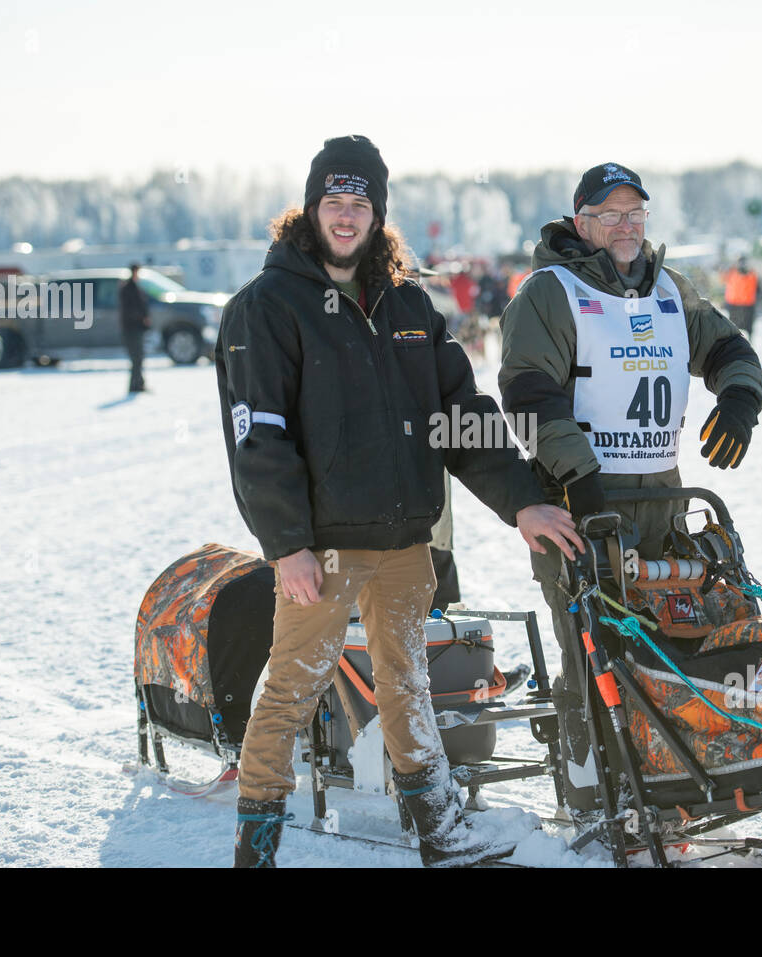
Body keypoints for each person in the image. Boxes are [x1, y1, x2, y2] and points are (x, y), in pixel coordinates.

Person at [215, 135, 581, 867]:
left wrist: (521, 504)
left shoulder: (409, 303)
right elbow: (259, 438)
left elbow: (462, 414)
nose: (346, 217)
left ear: (377, 213)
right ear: (310, 208)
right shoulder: (269, 305)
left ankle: (439, 833)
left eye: (360, 204)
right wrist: (285, 545)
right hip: (319, 547)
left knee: (408, 683)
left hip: (406, 543)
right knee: (290, 690)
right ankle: (255, 850)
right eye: (333, 202)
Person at [499, 161, 762, 811]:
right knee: (594, 653)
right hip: (579, 506)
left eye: (635, 213)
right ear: (581, 222)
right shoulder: (549, 292)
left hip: (664, 504)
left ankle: (673, 784)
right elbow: (528, 393)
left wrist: (738, 401)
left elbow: (730, 350)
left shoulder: (672, 289)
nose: (626, 226)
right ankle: (593, 794)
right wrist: (578, 475)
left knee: (678, 646)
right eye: (610, 214)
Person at [120, 263, 150, 392]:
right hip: (132, 328)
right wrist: (142, 318)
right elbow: (129, 310)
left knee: (139, 357)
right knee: (136, 357)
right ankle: (135, 385)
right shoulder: (128, 289)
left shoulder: (133, 287)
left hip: (135, 327)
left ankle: (138, 383)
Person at [722, 255, 759, 338]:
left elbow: (756, 285)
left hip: (747, 303)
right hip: (734, 303)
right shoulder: (731, 272)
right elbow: (723, 279)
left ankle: (749, 340)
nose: (742, 264)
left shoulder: (751, 273)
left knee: (748, 325)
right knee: (734, 326)